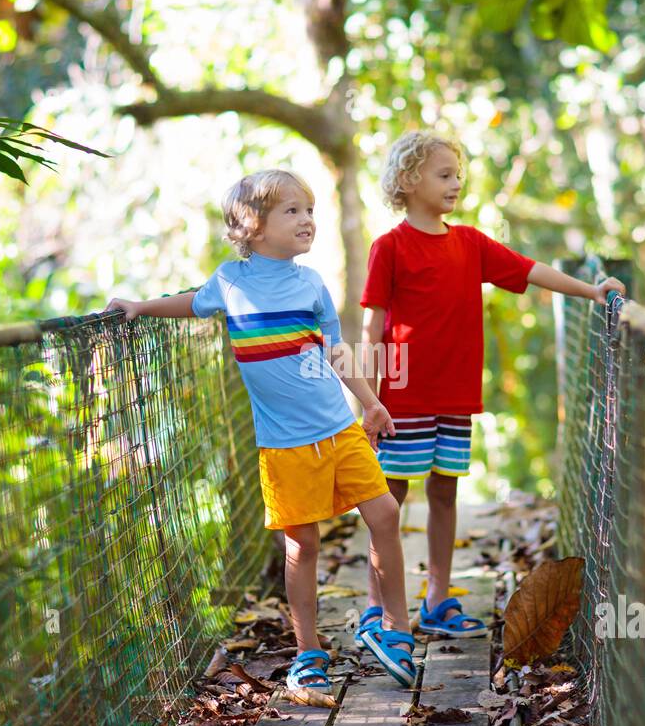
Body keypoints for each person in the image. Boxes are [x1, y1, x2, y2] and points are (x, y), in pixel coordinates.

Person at [106, 169, 416, 695]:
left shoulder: (311, 284)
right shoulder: (230, 282)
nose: (308, 220)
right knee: (303, 547)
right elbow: (190, 301)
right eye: (292, 211)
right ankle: (308, 652)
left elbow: (337, 351)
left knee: (385, 513)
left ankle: (395, 630)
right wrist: (140, 306)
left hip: (339, 429)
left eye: (310, 210)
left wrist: (371, 403)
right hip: (286, 445)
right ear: (252, 225)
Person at [355, 131, 625, 645]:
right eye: (444, 175)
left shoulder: (471, 243)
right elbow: (373, 327)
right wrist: (370, 399)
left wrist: (592, 291)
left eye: (458, 174)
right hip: (401, 397)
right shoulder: (388, 247)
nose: (456, 184)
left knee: (445, 490)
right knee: (388, 498)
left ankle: (436, 599)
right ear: (410, 181)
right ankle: (377, 606)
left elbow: (529, 270)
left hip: (454, 398)